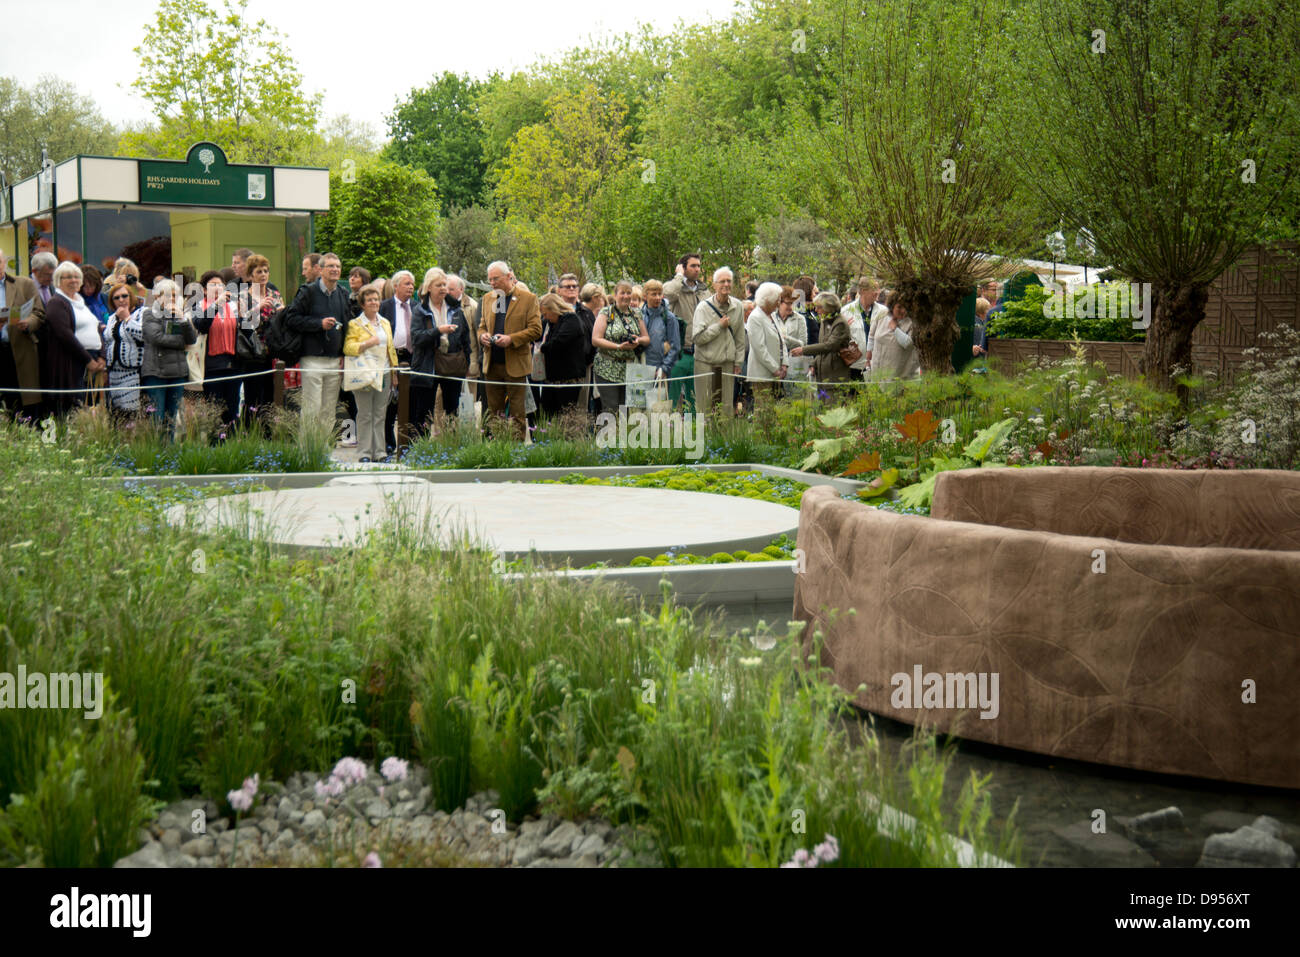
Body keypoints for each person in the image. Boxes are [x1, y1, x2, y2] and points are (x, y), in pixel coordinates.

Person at [284, 252, 351, 435]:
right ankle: (308, 454)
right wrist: (318, 324)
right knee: (312, 409)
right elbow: (291, 318)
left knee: (329, 411)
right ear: (320, 270)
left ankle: (324, 453)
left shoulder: (343, 294)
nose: (335, 269)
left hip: (335, 360)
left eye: (337, 266)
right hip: (312, 359)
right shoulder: (308, 292)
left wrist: (345, 355)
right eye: (330, 266)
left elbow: (347, 325)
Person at [477, 260, 542, 440]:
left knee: (517, 414)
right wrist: (482, 336)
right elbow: (482, 326)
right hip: (492, 364)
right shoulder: (487, 298)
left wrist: (511, 339)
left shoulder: (528, 299)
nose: (492, 283)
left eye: (496, 279)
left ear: (509, 277)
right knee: (494, 413)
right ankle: (498, 451)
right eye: (490, 280)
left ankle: (516, 454)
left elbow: (536, 330)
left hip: (515, 364)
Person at [410, 267, 471, 435]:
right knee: (424, 412)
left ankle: (452, 445)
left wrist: (467, 363)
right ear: (429, 287)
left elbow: (466, 339)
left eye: (445, 285)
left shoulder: (456, 310)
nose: (443, 288)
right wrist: (438, 330)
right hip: (428, 365)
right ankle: (421, 450)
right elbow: (416, 338)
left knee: (452, 410)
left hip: (453, 365)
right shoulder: (419, 310)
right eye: (439, 285)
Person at [43, 262, 108, 415]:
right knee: (74, 408)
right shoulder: (57, 303)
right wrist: (88, 360)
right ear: (58, 281)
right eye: (68, 277)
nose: (74, 280)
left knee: (91, 408)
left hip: (92, 361)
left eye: (77, 277)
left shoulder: (80, 302)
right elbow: (64, 335)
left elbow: (96, 328)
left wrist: (102, 357)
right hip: (73, 364)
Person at [343, 285, 398, 462]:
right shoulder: (355, 324)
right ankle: (364, 453)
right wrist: (367, 343)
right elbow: (348, 348)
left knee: (380, 414)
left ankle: (380, 452)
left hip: (384, 372)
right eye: (370, 300)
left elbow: (391, 349)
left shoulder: (385, 323)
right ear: (363, 304)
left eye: (376, 299)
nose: (374, 302)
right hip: (364, 372)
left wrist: (394, 372)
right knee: (365, 413)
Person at [141, 279, 198, 430]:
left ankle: (170, 452)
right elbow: (157, 338)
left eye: (174, 295)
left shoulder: (178, 315)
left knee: (171, 420)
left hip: (177, 373)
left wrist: (183, 319)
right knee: (157, 419)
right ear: (157, 297)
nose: (171, 299)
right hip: (156, 373)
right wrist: (181, 342)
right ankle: (155, 452)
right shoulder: (149, 314)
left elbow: (192, 340)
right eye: (167, 295)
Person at [691, 267, 746, 418]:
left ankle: (725, 440)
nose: (726, 284)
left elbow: (741, 338)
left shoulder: (738, 306)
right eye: (722, 281)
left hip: (727, 364)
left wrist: (738, 363)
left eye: (729, 281)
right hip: (706, 364)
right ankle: (706, 439)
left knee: (726, 408)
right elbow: (697, 338)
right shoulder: (703, 307)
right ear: (714, 285)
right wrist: (718, 327)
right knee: (706, 406)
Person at [1, 246, 47, 420]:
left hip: (20, 349)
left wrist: (28, 323)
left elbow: (39, 313)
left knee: (25, 401)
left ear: (4, 263)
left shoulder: (24, 284)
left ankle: (28, 438)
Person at [192, 270, 242, 427]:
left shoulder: (233, 305)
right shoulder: (198, 305)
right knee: (214, 409)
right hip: (211, 366)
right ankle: (215, 445)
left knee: (232, 410)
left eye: (221, 285)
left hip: (233, 364)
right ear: (205, 290)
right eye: (213, 285)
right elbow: (201, 325)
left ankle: (233, 444)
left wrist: (248, 313)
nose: (218, 288)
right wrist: (216, 305)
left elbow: (245, 332)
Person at [237, 254, 282, 425]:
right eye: (259, 271)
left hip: (272, 351)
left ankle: (268, 432)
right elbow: (241, 323)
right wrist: (258, 308)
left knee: (270, 394)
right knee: (253, 395)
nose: (263, 275)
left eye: (266, 271)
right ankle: (250, 432)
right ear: (250, 275)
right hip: (252, 351)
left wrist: (281, 312)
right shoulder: (243, 296)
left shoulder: (275, 294)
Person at [592, 280, 649, 411]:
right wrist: (618, 347)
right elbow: (595, 339)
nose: (626, 296)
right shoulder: (606, 312)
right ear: (615, 294)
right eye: (622, 293)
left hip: (630, 368)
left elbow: (647, 338)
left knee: (627, 409)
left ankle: (623, 432)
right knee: (611, 408)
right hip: (607, 367)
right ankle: (607, 431)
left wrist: (638, 340)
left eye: (629, 293)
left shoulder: (636, 313)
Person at [663, 253, 706, 412]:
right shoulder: (676, 288)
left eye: (698, 266)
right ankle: (670, 430)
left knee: (694, 399)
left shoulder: (703, 290)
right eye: (693, 266)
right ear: (683, 267)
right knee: (672, 399)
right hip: (679, 351)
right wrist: (678, 276)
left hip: (699, 352)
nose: (697, 269)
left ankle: (693, 430)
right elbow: (666, 294)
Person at [790, 292, 853, 399]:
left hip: (834, 376)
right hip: (822, 375)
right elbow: (821, 346)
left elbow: (829, 346)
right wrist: (813, 364)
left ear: (829, 307)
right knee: (821, 410)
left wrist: (803, 350)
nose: (816, 310)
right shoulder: (825, 321)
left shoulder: (840, 323)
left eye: (819, 307)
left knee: (832, 409)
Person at [537, 292, 586, 416]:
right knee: (547, 414)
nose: (545, 318)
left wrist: (543, 348)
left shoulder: (571, 319)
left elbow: (558, 343)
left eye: (546, 314)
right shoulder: (552, 324)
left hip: (568, 379)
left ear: (554, 308)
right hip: (552, 379)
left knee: (566, 417)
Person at [102, 281, 146, 414]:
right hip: (114, 372)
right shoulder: (111, 319)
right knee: (115, 413)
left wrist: (127, 318)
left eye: (124, 296)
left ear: (131, 296)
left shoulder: (142, 313)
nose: (121, 300)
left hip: (133, 372)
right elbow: (108, 341)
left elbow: (144, 335)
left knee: (131, 412)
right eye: (116, 297)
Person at [746, 282, 788, 405]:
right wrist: (775, 369)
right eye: (777, 300)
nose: (779, 303)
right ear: (768, 300)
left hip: (777, 374)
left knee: (775, 410)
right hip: (762, 374)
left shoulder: (773, 316)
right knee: (764, 410)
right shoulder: (755, 317)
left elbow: (782, 341)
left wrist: (784, 364)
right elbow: (759, 349)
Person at [639, 279, 681, 399]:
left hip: (660, 371)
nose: (658, 298)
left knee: (658, 409)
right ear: (645, 296)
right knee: (638, 408)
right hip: (640, 368)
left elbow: (675, 347)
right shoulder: (638, 316)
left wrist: (664, 369)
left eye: (659, 294)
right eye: (654, 294)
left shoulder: (669, 318)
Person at [844, 277, 887, 381]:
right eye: (874, 289)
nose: (877, 292)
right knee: (855, 396)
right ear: (862, 291)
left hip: (878, 366)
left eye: (878, 289)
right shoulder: (846, 311)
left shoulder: (884, 312)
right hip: (855, 367)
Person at [870, 299, 921, 381]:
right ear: (892, 306)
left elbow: (908, 344)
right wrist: (868, 357)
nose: (903, 310)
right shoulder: (882, 315)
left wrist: (895, 329)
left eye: (905, 307)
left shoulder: (911, 322)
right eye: (899, 307)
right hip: (879, 368)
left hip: (900, 373)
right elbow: (871, 336)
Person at [774, 285, 810, 397]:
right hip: (774, 362)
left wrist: (784, 338)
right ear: (779, 302)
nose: (791, 306)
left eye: (793, 303)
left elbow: (803, 343)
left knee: (793, 397)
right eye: (788, 303)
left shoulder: (800, 319)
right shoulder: (772, 317)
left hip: (793, 364)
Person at [576, 282, 604, 414]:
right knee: (583, 401)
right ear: (594, 298)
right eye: (600, 297)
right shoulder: (583, 314)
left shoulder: (587, 313)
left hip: (588, 363)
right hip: (584, 365)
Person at [972, 296, 992, 362]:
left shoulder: (982, 322)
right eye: (988, 310)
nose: (990, 312)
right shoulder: (977, 324)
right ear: (981, 311)